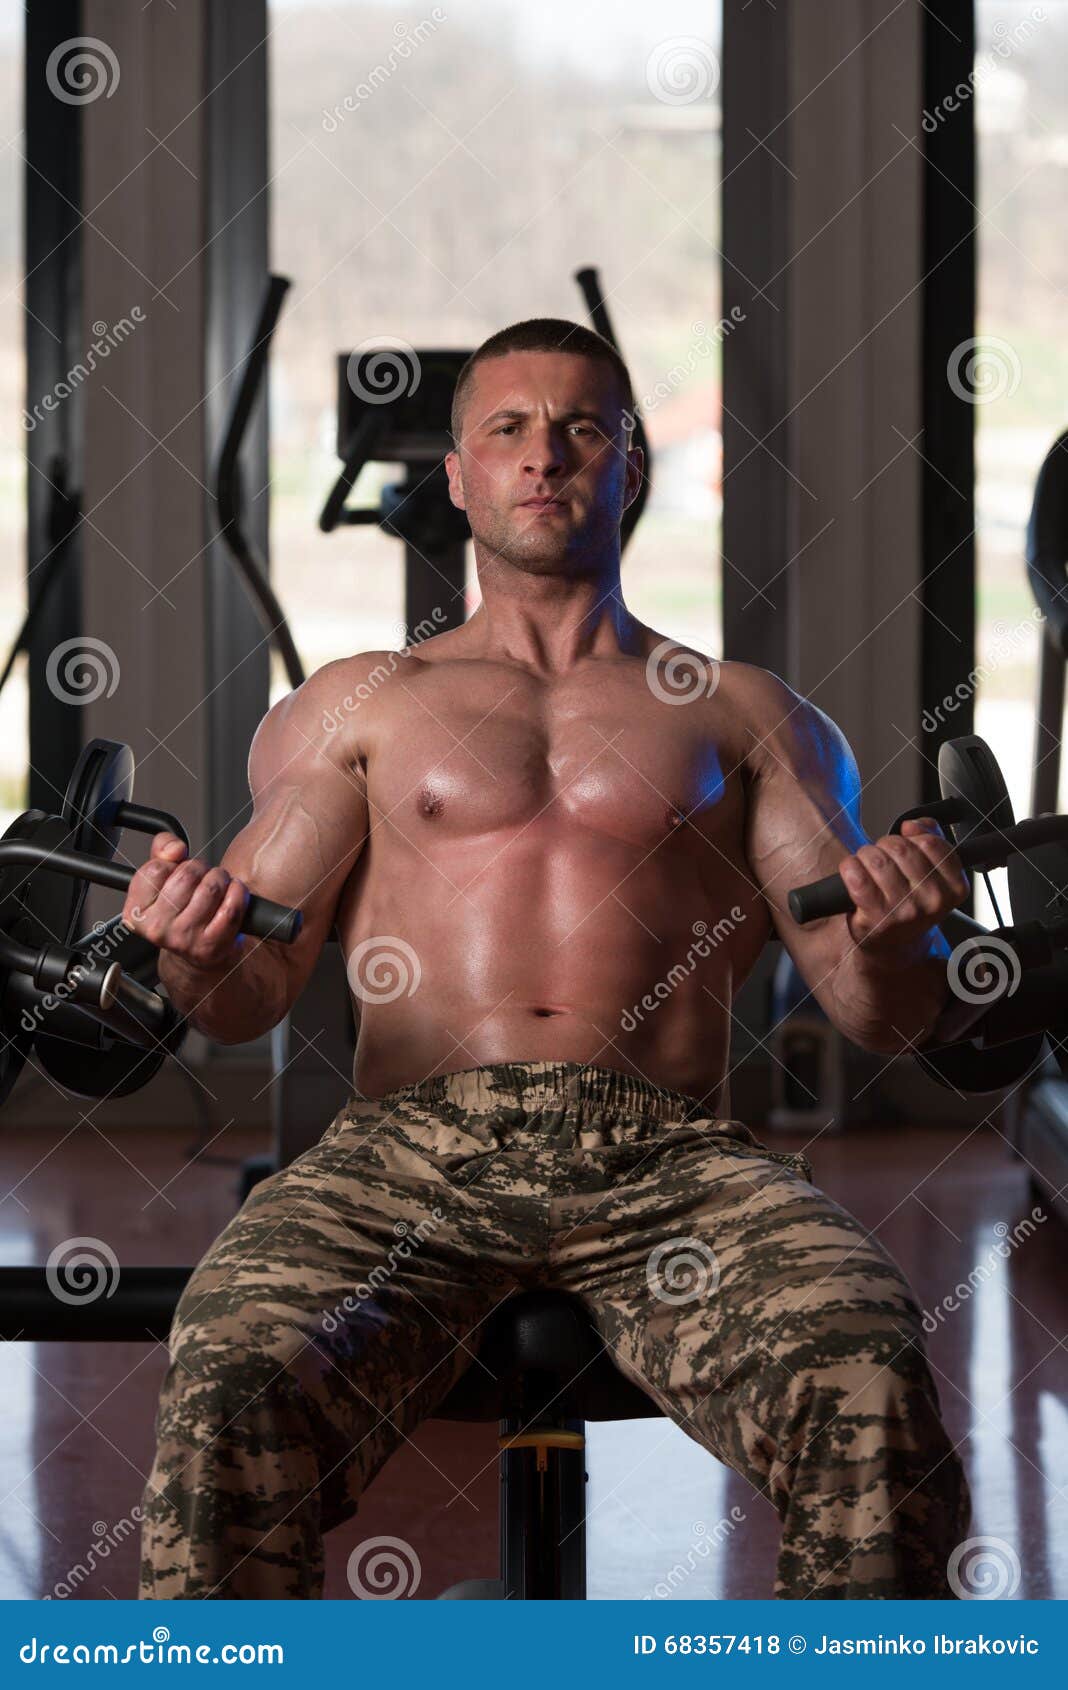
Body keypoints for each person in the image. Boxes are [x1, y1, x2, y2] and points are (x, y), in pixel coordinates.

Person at [135, 318, 972, 1600]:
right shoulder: (358, 705)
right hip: (408, 1150)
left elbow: (875, 1011)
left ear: (632, 467)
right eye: (507, 431)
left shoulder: (747, 713)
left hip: (666, 1154)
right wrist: (192, 950)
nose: (546, 459)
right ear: (459, 475)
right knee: (232, 1368)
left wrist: (901, 935)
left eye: (584, 429)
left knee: (863, 1362)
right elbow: (246, 995)